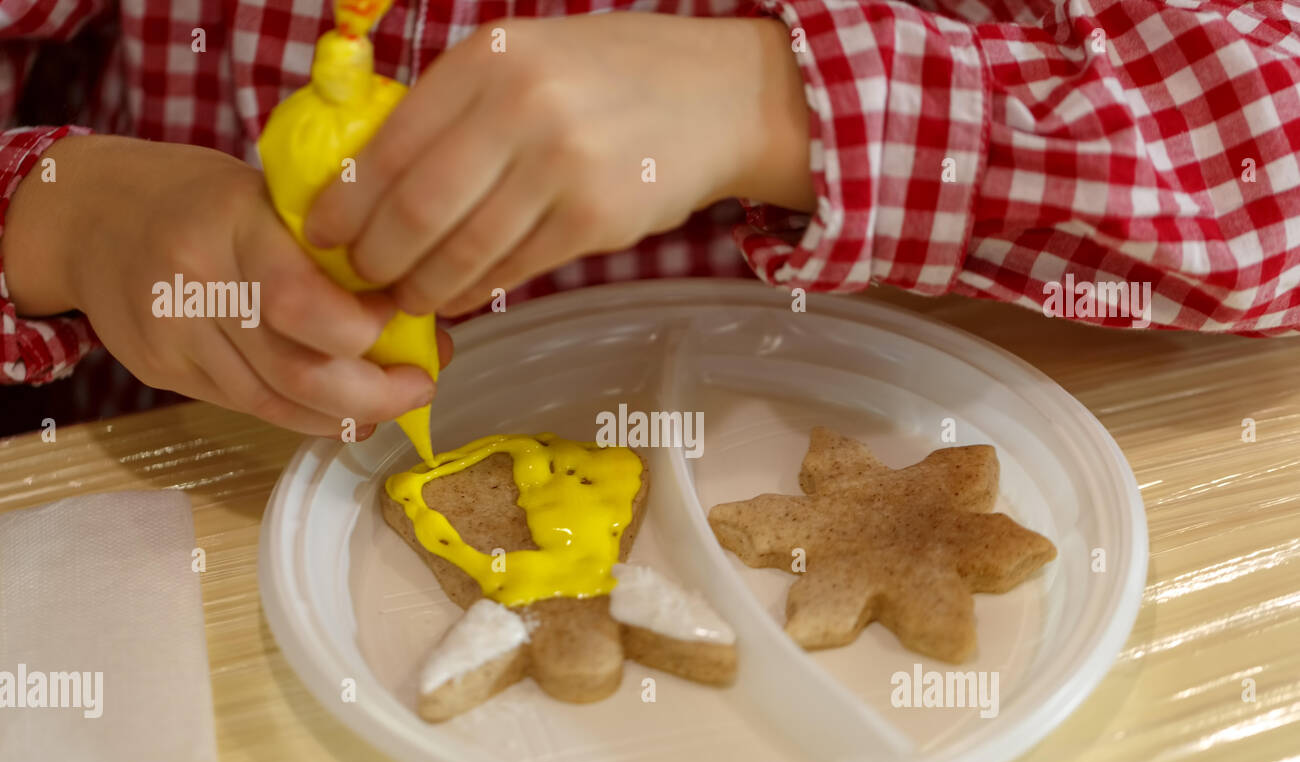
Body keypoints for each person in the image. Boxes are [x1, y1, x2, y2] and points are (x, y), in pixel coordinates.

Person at [1, 1, 1295, 437]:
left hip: (786, 434)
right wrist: (72, 219)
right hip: (211, 491)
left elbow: (1264, 152)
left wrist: (769, 100)